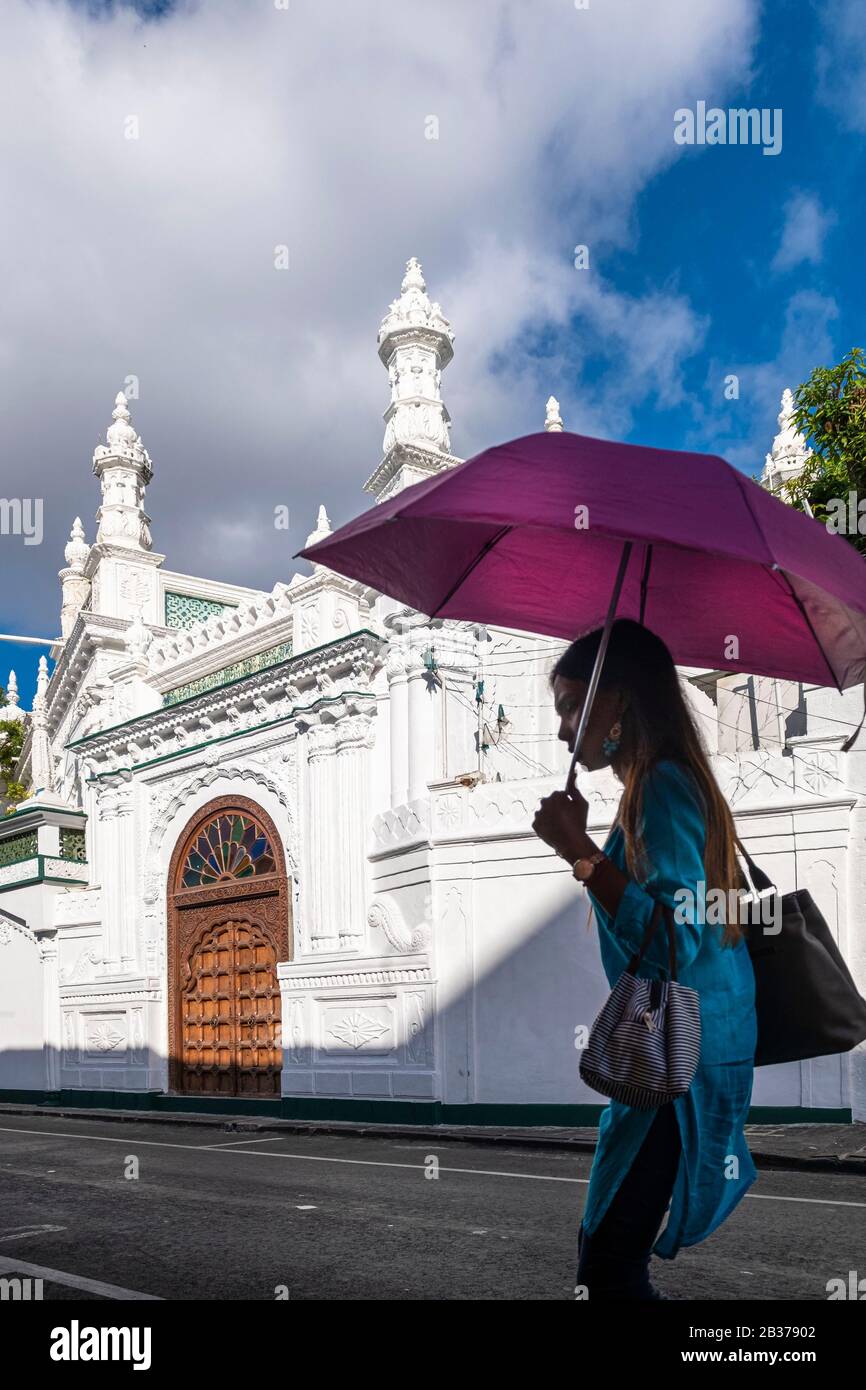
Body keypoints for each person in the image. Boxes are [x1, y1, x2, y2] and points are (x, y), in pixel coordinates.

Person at [531, 619, 758, 1301]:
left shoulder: (661, 786)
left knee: (610, 1260)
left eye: (573, 705)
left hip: (676, 1055)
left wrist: (580, 854)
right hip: (678, 1048)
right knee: (608, 1250)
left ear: (619, 701)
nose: (563, 730)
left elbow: (675, 940)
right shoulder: (656, 787)